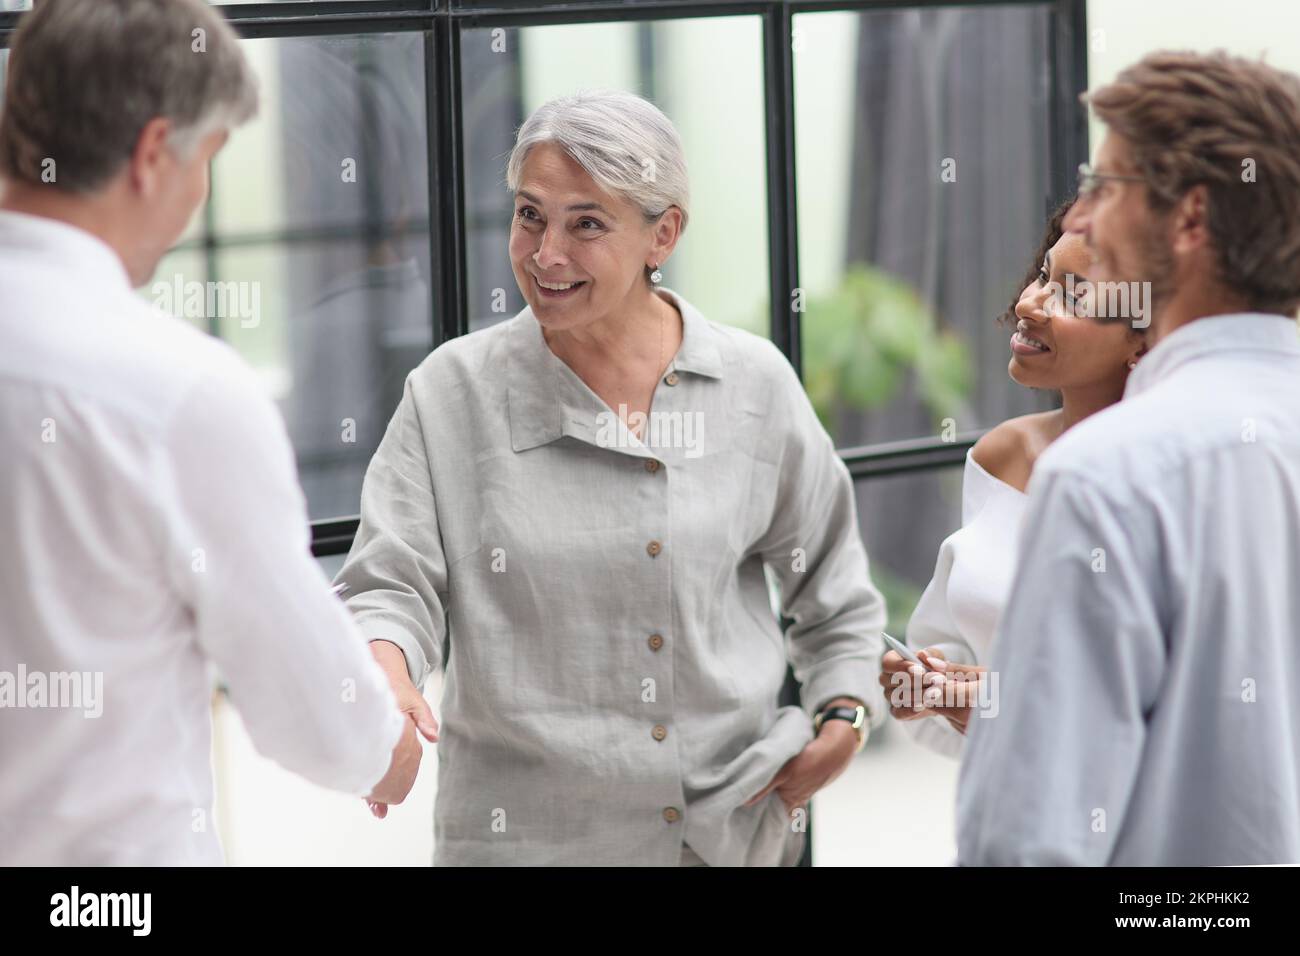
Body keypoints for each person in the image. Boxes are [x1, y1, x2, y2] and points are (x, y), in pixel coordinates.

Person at [335, 89, 888, 866]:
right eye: (531, 215)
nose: (545, 253)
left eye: (586, 223)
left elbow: (831, 587)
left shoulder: (753, 385)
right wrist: (388, 680)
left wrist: (844, 716)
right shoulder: (451, 394)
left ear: (663, 234)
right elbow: (387, 587)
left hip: (732, 835)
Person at [0, 0, 417, 866]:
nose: (200, 196)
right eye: (209, 160)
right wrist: (391, 752)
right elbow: (319, 716)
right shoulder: (179, 394)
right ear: (155, 154)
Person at [958, 50, 1300, 865]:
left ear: (1187, 221)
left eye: (1107, 187)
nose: (1079, 218)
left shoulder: (1107, 474)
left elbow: (1028, 835)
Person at [878, 199, 1146, 755]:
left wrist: (1011, 710)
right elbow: (962, 649)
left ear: (1143, 338)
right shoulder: (1003, 455)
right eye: (1045, 275)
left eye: (1073, 294)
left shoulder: (1168, 489)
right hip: (1007, 818)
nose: (1029, 301)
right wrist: (926, 686)